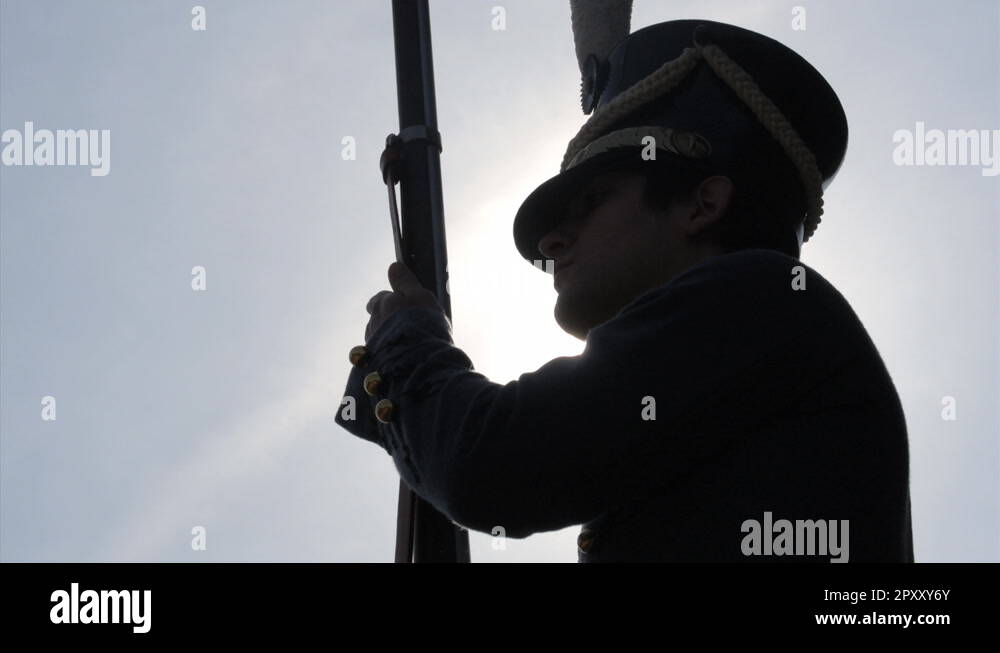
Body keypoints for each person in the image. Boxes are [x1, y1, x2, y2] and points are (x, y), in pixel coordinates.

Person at [336, 19, 914, 562]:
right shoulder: (754, 336)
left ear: (702, 204)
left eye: (590, 203)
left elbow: (491, 468)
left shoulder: (765, 296)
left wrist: (406, 343)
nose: (553, 243)